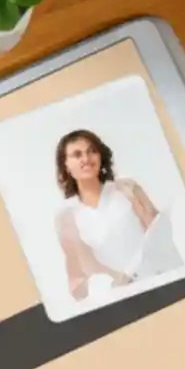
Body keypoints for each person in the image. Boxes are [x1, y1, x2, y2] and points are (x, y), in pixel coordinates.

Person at [53, 129, 161, 301]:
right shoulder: (67, 217)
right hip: (119, 295)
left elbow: (159, 232)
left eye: (92, 151)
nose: (86, 159)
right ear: (66, 165)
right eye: (77, 154)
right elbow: (78, 276)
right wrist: (118, 281)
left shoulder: (127, 189)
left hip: (158, 278)